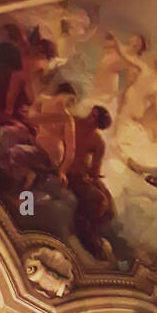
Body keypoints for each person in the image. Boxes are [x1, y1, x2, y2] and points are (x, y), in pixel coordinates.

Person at [66, 104, 114, 258]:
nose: (89, 118)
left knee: (109, 204)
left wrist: (94, 179)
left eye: (93, 117)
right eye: (90, 114)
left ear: (98, 123)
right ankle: (87, 235)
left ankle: (96, 233)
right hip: (69, 173)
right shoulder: (72, 121)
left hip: (82, 175)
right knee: (99, 201)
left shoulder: (98, 142)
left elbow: (95, 170)